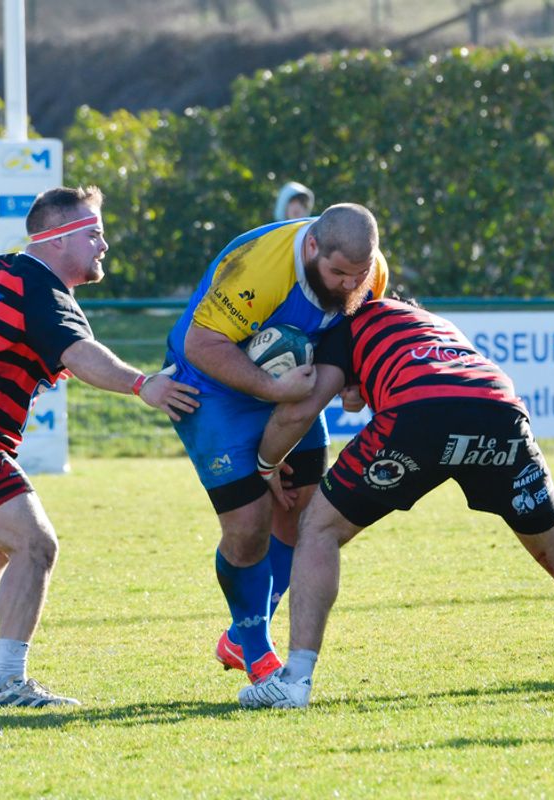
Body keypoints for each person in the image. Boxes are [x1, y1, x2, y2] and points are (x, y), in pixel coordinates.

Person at [238, 297, 554, 709]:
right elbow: (394, 386)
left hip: (421, 411)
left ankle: (294, 680)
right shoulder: (438, 326)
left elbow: (303, 408)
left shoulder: (349, 325)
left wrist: (265, 465)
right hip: (500, 410)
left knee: (319, 529)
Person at [0, 185, 201, 708]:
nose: (103, 244)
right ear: (57, 239)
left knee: (1, 543)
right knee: (36, 545)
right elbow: (81, 354)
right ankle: (9, 683)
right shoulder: (43, 288)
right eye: (94, 233)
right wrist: (142, 384)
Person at [163, 203, 388, 685]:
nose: (352, 285)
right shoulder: (264, 266)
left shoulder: (370, 273)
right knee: (248, 528)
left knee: (306, 516)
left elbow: (355, 333)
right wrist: (273, 390)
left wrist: (356, 384)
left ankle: (240, 637)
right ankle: (257, 649)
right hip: (211, 387)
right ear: (312, 247)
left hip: (289, 388)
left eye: (360, 273)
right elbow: (200, 345)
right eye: (339, 273)